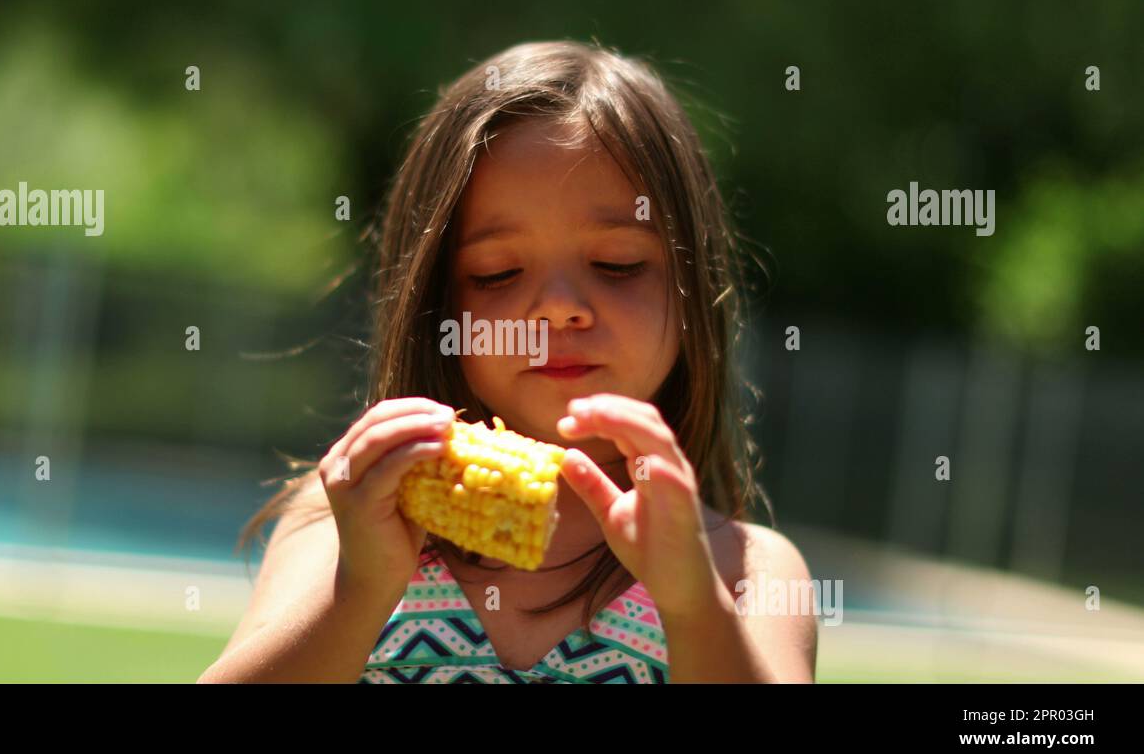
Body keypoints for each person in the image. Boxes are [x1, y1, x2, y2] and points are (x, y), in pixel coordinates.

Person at [199, 40, 817, 684]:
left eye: (617, 265)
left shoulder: (747, 570)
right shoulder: (352, 521)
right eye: (497, 273)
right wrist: (357, 594)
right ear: (436, 303)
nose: (558, 311)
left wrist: (695, 608)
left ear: (692, 288)